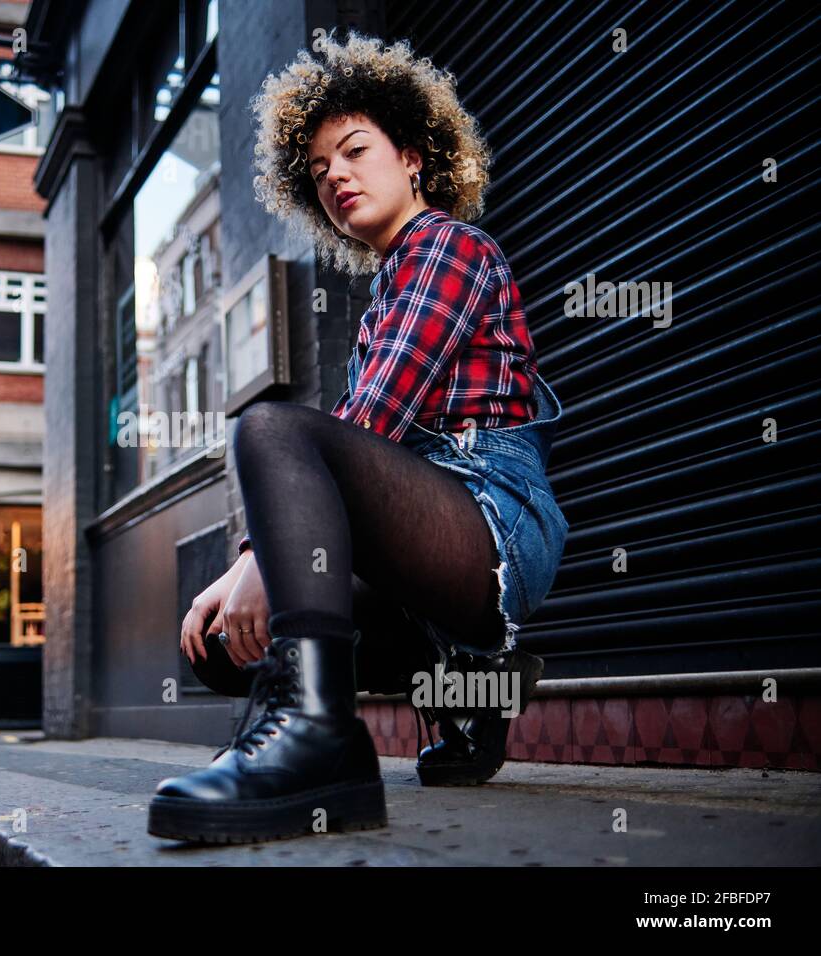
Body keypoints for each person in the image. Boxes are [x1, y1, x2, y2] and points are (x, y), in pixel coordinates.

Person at [148, 30, 569, 844]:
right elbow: (358, 455)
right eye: (318, 170)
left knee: (270, 428)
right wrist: (246, 578)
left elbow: (374, 413)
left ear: (412, 158)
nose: (335, 175)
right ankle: (466, 686)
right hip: (427, 544)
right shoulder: (386, 293)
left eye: (354, 151)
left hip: (491, 524)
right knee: (221, 644)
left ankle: (320, 742)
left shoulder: (449, 246)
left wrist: (255, 562)